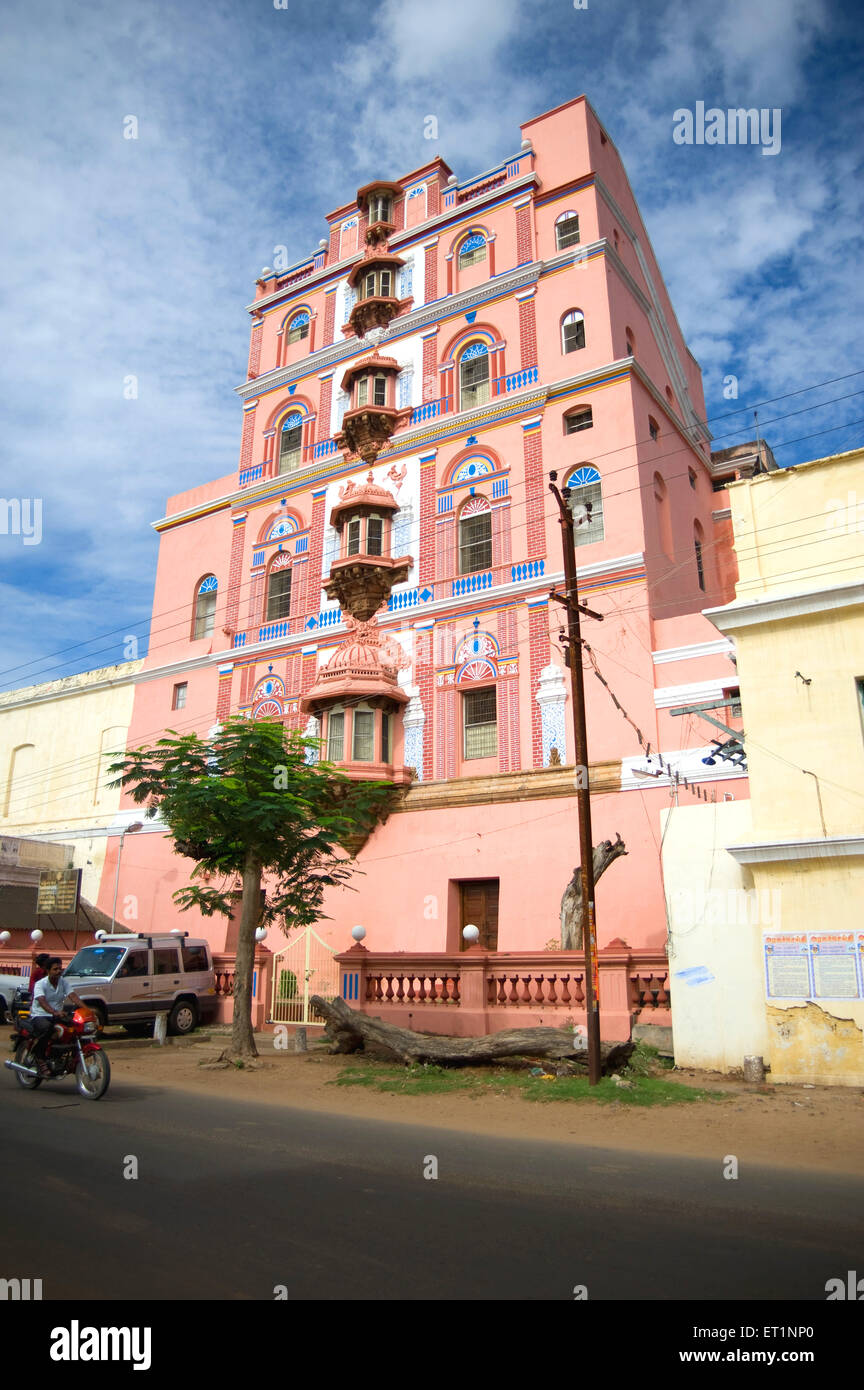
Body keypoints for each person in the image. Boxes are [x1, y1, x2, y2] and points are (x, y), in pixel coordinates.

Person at [29, 958, 84, 1078]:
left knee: (76, 1027)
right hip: (40, 1015)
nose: (59, 971)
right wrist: (54, 1012)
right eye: (55, 969)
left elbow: (73, 996)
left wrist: (87, 1010)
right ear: (48, 970)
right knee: (48, 1028)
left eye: (60, 968)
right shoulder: (40, 984)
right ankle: (39, 1056)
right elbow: (42, 1001)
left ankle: (67, 1056)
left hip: (57, 1015)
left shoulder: (63, 982)